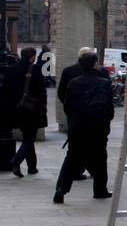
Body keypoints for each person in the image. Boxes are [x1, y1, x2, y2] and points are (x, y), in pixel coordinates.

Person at [54, 51, 114, 204]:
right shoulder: (104, 83)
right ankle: (100, 190)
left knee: (71, 158)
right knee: (100, 158)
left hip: (77, 127)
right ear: (95, 64)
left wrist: (73, 120)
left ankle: (61, 189)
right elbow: (109, 108)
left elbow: (67, 106)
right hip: (97, 128)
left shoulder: (73, 82)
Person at [57, 46, 105, 182]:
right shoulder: (102, 75)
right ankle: (98, 181)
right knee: (97, 150)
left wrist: (71, 111)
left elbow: (62, 94)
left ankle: (65, 183)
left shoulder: (69, 73)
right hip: (96, 119)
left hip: (76, 117)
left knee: (73, 151)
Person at [4, 47, 48, 178]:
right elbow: (41, 92)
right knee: (29, 138)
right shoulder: (35, 70)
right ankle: (16, 161)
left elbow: (6, 92)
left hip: (16, 110)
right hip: (31, 110)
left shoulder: (11, 70)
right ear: (33, 57)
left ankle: (32, 167)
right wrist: (43, 106)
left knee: (27, 137)